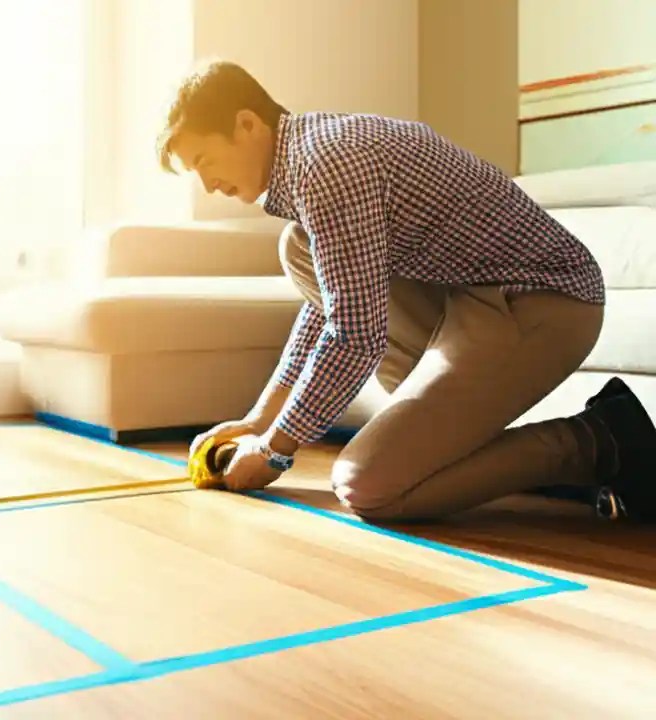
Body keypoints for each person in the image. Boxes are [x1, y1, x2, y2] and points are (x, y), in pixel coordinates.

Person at [158, 60, 655, 523]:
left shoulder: (327, 164)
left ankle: (600, 439)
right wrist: (256, 421)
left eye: (204, 160)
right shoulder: (311, 164)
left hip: (542, 300)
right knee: (300, 246)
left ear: (247, 124)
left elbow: (355, 334)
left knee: (367, 485)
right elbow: (332, 303)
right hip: (471, 303)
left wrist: (275, 450)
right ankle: (447, 443)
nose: (206, 185)